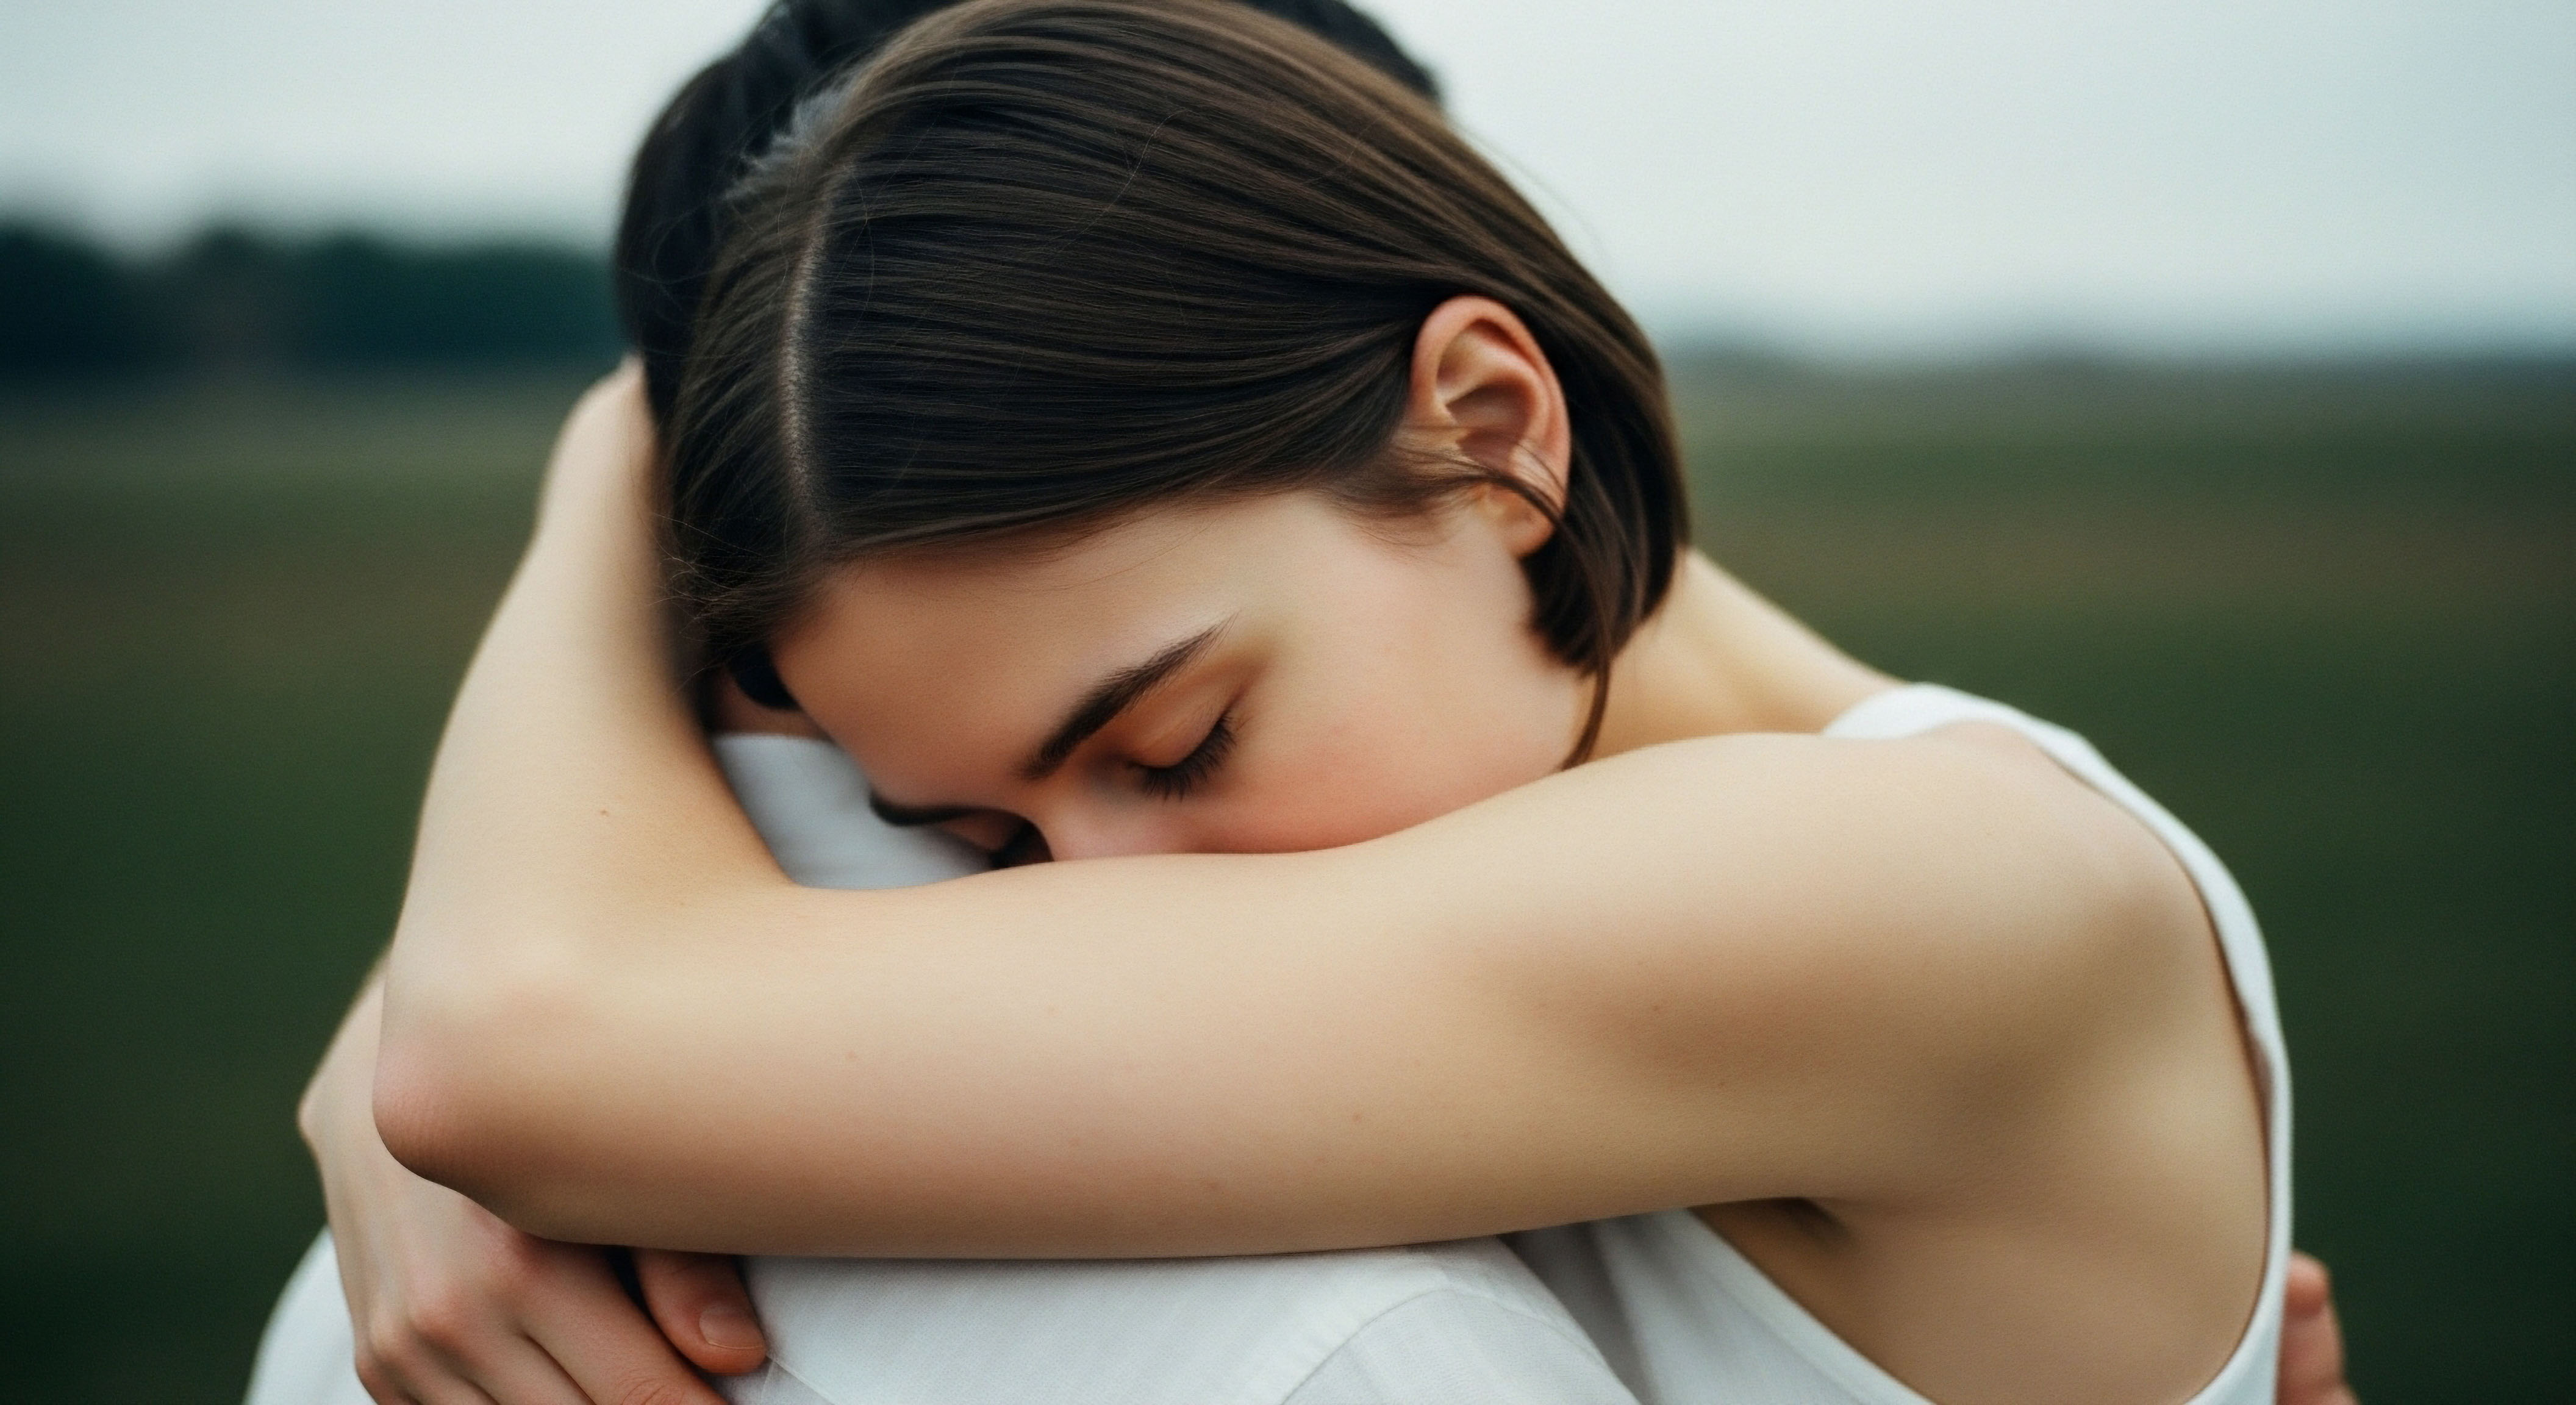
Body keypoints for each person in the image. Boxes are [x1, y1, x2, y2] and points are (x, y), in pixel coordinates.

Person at [266, 1, 2361, 1402]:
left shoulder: (1928, 885)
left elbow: (519, 1044)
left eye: (1174, 744)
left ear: (1488, 429)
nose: (1071, 903)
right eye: (980, 841)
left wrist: (604, 462)